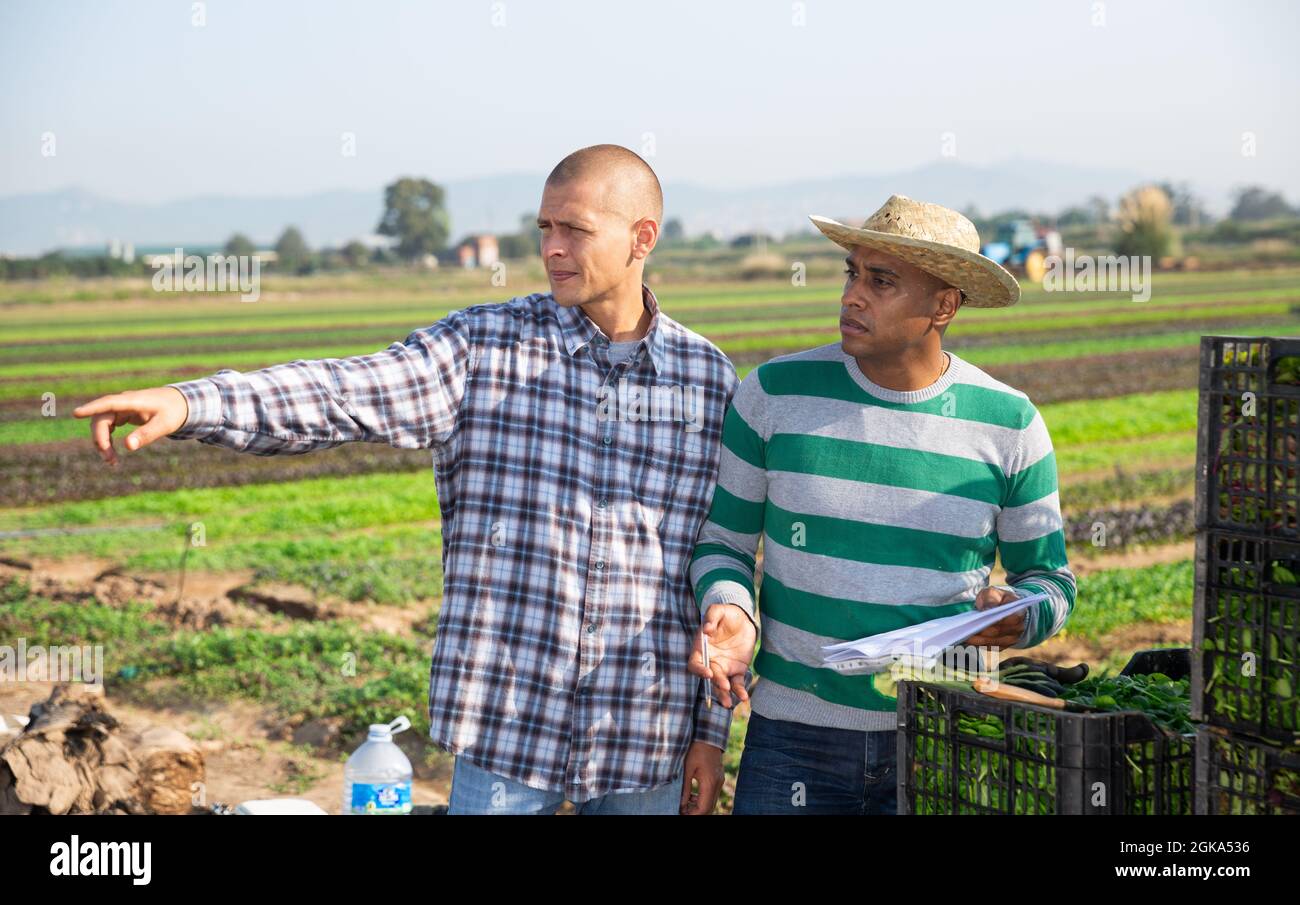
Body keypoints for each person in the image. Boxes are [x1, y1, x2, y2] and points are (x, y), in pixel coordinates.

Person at [74, 145, 741, 815]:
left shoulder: (707, 380)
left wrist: (711, 735)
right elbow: (346, 391)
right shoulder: (484, 348)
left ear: (641, 238)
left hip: (646, 736)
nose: (552, 249)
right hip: (509, 734)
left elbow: (718, 560)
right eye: (544, 228)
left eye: (575, 230)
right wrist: (195, 403)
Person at [687, 195, 1077, 815]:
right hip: (792, 740)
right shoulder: (773, 396)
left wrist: (1020, 614)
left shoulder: (1010, 423)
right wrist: (730, 605)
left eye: (882, 281)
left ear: (944, 304)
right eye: (852, 273)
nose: (852, 296)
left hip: (941, 734)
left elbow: (1050, 582)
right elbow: (723, 546)